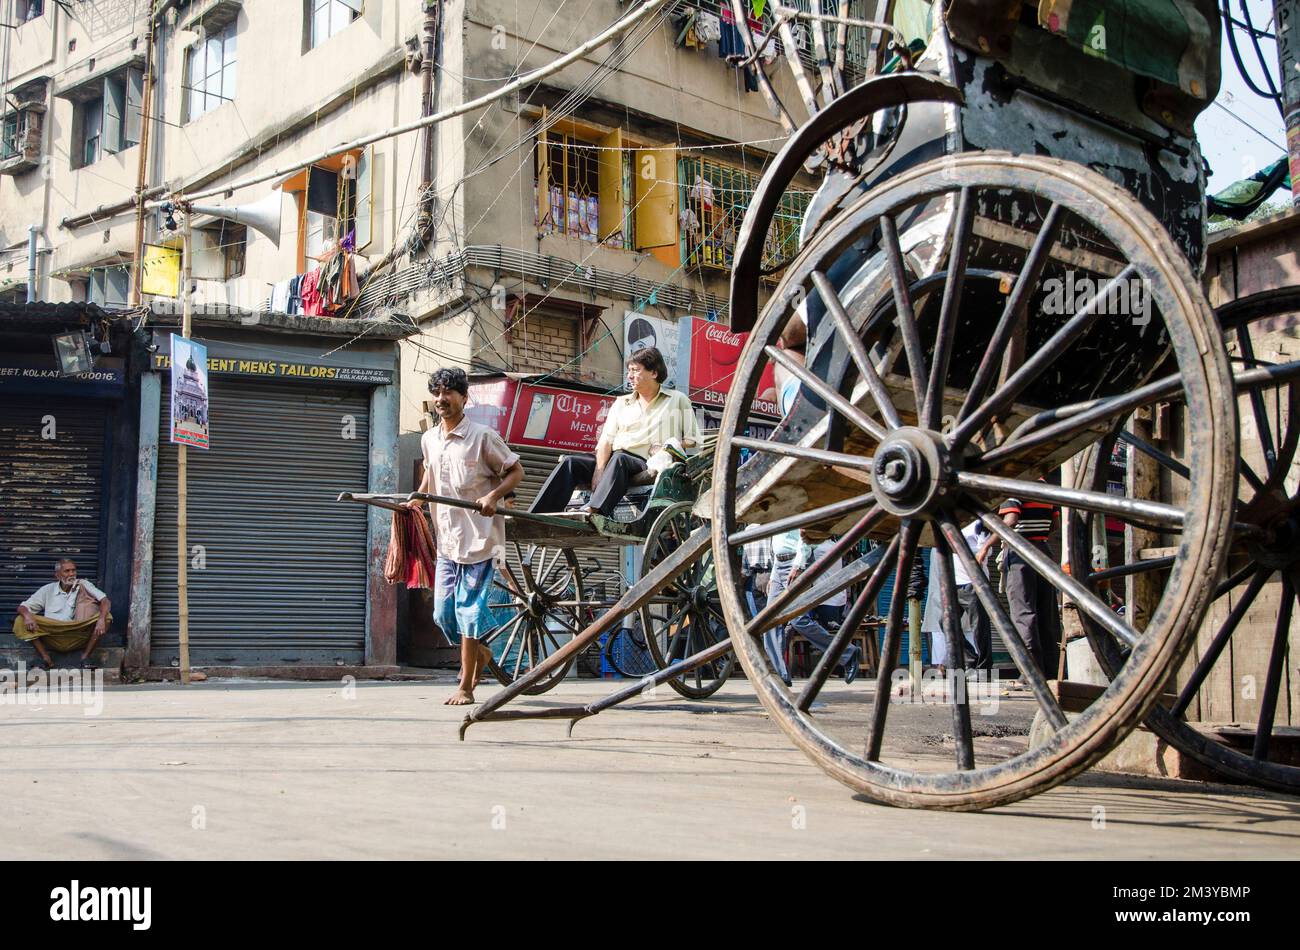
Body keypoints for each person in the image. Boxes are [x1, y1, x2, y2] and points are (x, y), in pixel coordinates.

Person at [409, 367, 524, 705]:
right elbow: (430, 474)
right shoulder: (429, 438)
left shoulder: (482, 436)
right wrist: (417, 496)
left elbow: (516, 471)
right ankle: (481, 653)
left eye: (449, 393)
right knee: (443, 614)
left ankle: (466, 686)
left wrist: (492, 496)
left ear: (464, 397)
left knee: (469, 611)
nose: (442, 400)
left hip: (481, 541)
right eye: (437, 393)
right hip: (447, 541)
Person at [529, 347, 700, 517]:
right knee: (571, 462)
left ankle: (594, 510)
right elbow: (606, 441)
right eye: (629, 371)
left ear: (654, 373)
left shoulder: (677, 399)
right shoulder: (621, 402)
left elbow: (692, 440)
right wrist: (599, 469)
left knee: (620, 459)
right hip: (613, 458)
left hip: (644, 462)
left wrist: (667, 446)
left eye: (635, 371)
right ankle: (537, 515)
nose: (629, 376)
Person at [997, 486, 1062, 678]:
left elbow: (1011, 519)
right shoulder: (1048, 491)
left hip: (1020, 551)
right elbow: (1055, 525)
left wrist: (987, 543)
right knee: (1046, 614)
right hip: (1043, 551)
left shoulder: (1017, 485)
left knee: (1023, 613)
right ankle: (1050, 670)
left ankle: (1030, 672)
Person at [14, 559, 111, 670]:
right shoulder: (47, 589)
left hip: (78, 633)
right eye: (67, 571)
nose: (71, 574)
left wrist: (101, 619)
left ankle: (85, 657)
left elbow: (105, 601)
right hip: (52, 635)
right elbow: (22, 607)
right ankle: (45, 658)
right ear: (57, 575)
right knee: (20, 620)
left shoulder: (83, 584)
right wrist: (27, 616)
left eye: (73, 570)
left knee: (107, 617)